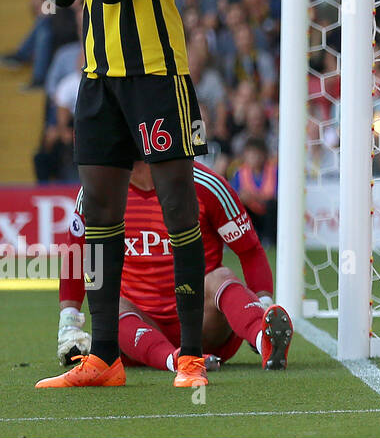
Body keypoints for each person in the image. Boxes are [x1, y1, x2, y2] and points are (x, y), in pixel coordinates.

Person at [35, 0, 210, 391]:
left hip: (154, 74)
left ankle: (189, 357)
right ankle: (104, 359)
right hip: (98, 79)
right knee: (101, 215)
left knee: (177, 209)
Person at [47, 161, 292, 376]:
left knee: (221, 277)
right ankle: (176, 361)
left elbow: (249, 250)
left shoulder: (206, 185)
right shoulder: (97, 190)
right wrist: (68, 327)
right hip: (139, 328)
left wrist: (264, 305)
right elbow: (76, 256)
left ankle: (265, 338)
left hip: (204, 325)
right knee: (110, 303)